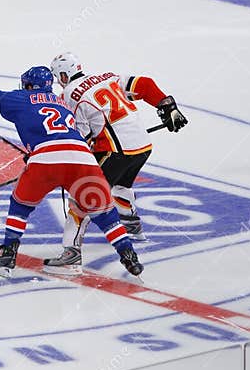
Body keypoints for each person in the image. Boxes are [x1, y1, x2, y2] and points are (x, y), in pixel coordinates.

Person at [0, 66, 144, 278]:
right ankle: (129, 255)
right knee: (104, 213)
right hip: (83, 159)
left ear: (28, 85)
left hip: (45, 161)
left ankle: (8, 255)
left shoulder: (22, 97)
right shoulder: (63, 103)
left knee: (20, 205)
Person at [42, 52, 188, 274]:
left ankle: (71, 252)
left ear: (64, 74)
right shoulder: (108, 77)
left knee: (81, 197)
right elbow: (145, 84)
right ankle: (130, 222)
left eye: (58, 77)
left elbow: (81, 135)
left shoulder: (70, 93)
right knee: (121, 184)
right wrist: (168, 107)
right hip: (142, 146)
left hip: (117, 151)